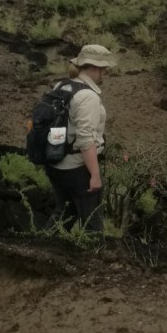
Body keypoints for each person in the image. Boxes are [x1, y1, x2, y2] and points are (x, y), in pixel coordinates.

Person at [45, 44, 112, 235]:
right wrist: (95, 175)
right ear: (96, 67)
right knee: (92, 223)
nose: (105, 73)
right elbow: (85, 140)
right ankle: (95, 253)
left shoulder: (62, 86)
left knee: (64, 213)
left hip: (56, 163)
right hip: (78, 168)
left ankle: (42, 246)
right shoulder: (88, 96)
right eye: (104, 68)